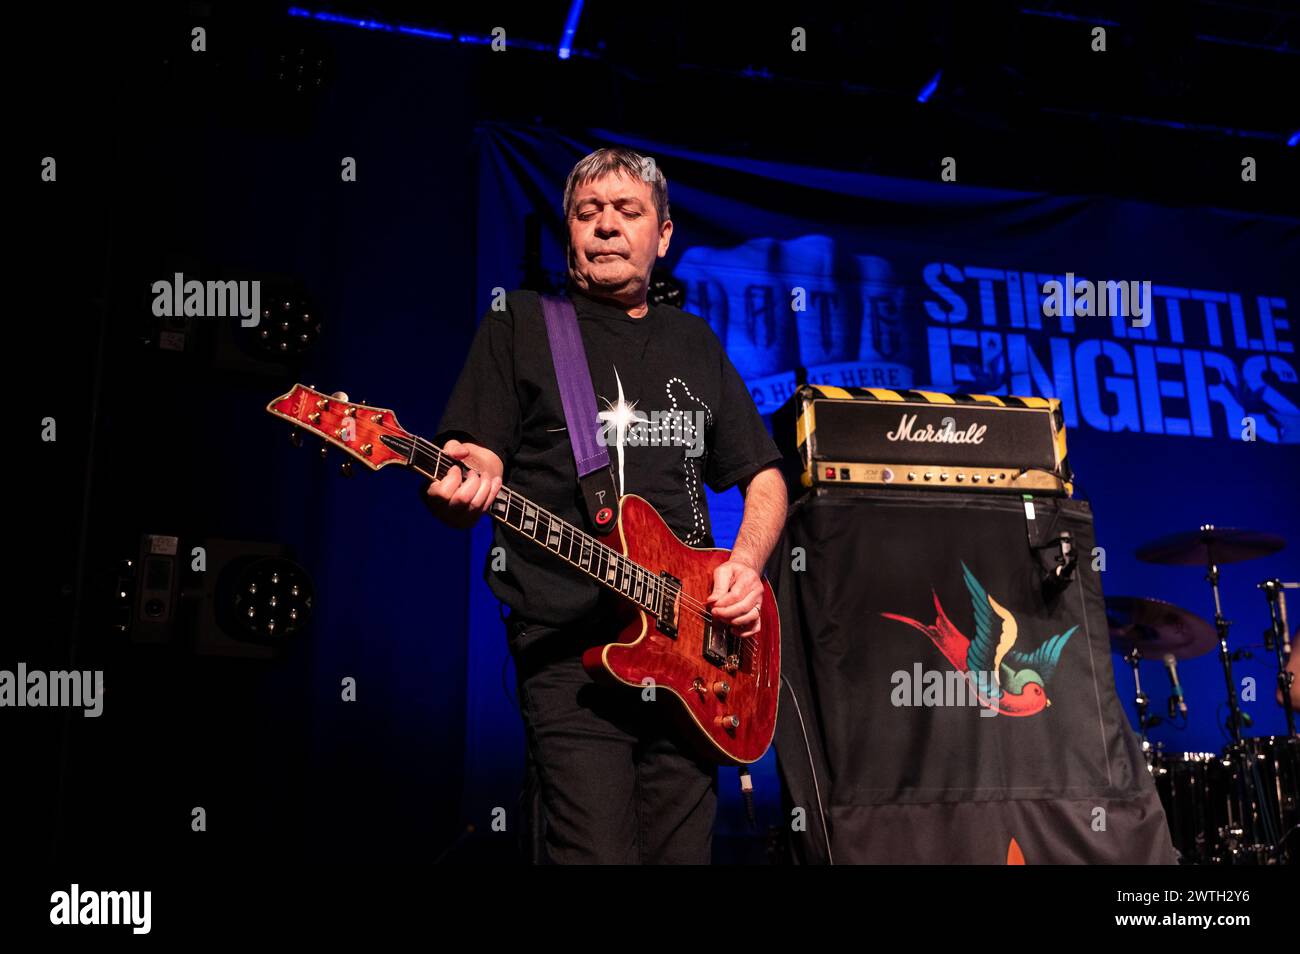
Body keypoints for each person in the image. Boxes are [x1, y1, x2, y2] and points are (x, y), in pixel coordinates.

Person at [424, 147, 788, 863]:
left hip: (695, 663)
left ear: (664, 235)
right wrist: (468, 477)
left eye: (629, 213)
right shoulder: (523, 326)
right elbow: (482, 456)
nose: (607, 227)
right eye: (589, 214)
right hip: (571, 661)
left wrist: (745, 566)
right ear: (570, 234)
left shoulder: (693, 341)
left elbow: (765, 477)